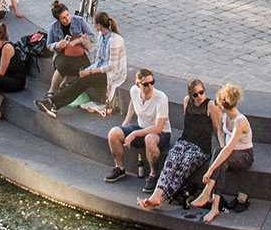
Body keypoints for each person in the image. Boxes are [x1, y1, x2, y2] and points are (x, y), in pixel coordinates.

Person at [141, 80, 221, 212]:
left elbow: (217, 129)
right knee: (172, 160)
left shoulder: (210, 105)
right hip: (185, 140)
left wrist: (223, 148)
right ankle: (156, 194)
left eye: (201, 93)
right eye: (195, 94)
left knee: (184, 164)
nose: (199, 96)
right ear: (190, 96)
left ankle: (162, 198)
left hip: (201, 147)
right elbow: (188, 125)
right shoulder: (186, 102)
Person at [37, 11, 125, 117]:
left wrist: (90, 71)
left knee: (84, 80)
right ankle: (52, 103)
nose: (93, 25)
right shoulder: (101, 36)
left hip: (112, 74)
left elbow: (111, 66)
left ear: (99, 25)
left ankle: (53, 104)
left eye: (94, 23)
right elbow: (98, 58)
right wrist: (88, 46)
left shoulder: (115, 40)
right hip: (101, 69)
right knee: (81, 77)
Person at [193, 84, 254, 222]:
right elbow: (220, 131)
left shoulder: (240, 121)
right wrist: (222, 145)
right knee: (221, 159)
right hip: (229, 153)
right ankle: (214, 206)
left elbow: (229, 148)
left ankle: (207, 192)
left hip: (244, 155)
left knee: (221, 157)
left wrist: (210, 170)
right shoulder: (224, 115)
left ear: (222, 105)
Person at [106, 69, 171, 183]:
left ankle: (153, 175)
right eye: (146, 84)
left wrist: (134, 134)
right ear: (138, 84)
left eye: (152, 82)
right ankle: (119, 167)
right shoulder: (134, 91)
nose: (150, 86)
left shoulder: (161, 98)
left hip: (161, 133)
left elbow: (158, 128)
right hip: (142, 128)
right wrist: (127, 119)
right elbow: (133, 101)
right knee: (113, 133)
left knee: (149, 138)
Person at [45, 1, 94, 98]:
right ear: (58, 20)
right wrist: (57, 45)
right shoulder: (53, 27)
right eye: (63, 18)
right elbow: (49, 45)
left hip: (79, 52)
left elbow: (92, 36)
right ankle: (51, 90)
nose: (67, 19)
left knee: (81, 66)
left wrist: (79, 40)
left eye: (67, 15)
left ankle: (62, 85)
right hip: (63, 53)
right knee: (64, 64)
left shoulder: (79, 20)